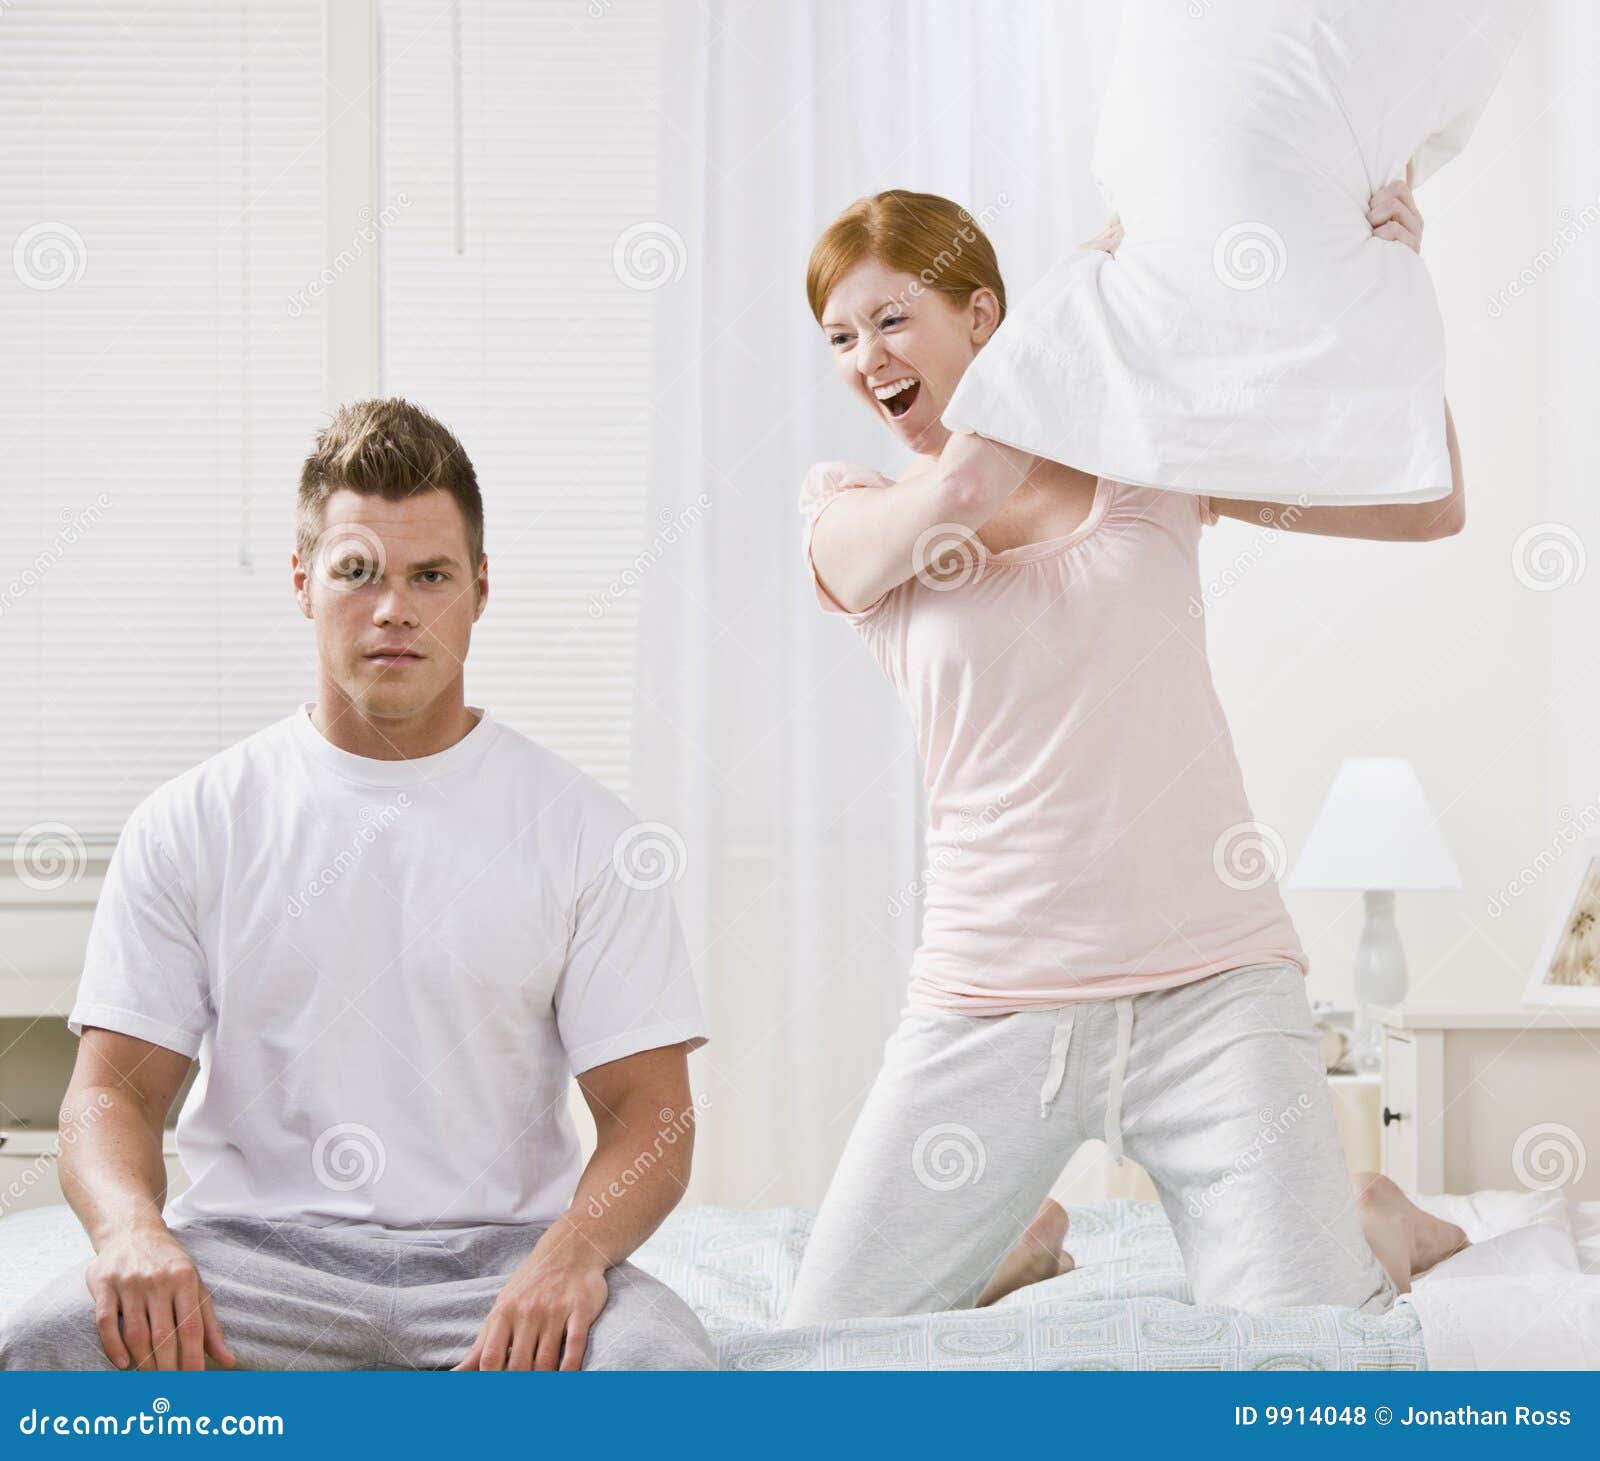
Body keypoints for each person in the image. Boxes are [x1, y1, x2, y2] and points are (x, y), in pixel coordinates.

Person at [783, 187, 1467, 1323]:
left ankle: (1369, 1212)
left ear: (979, 314)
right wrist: (1072, 313)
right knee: (814, 1345)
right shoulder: (851, 515)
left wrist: (1400, 299)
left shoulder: (1148, 461)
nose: (867, 358)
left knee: (1306, 1344)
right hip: (989, 1004)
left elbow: (1425, 505)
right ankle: (1015, 1236)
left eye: (892, 320)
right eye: (842, 338)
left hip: (1212, 988)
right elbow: (966, 485)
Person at [0, 399, 715, 1373]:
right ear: (304, 582)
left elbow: (651, 1115)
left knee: (663, 1374)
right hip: (252, 1267)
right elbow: (111, 1093)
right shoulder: (194, 820)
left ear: (480, 589)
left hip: (504, 1268)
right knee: (39, 1354)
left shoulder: (585, 833)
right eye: (357, 573)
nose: (393, 610)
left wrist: (574, 1258)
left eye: (430, 576)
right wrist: (132, 1232)